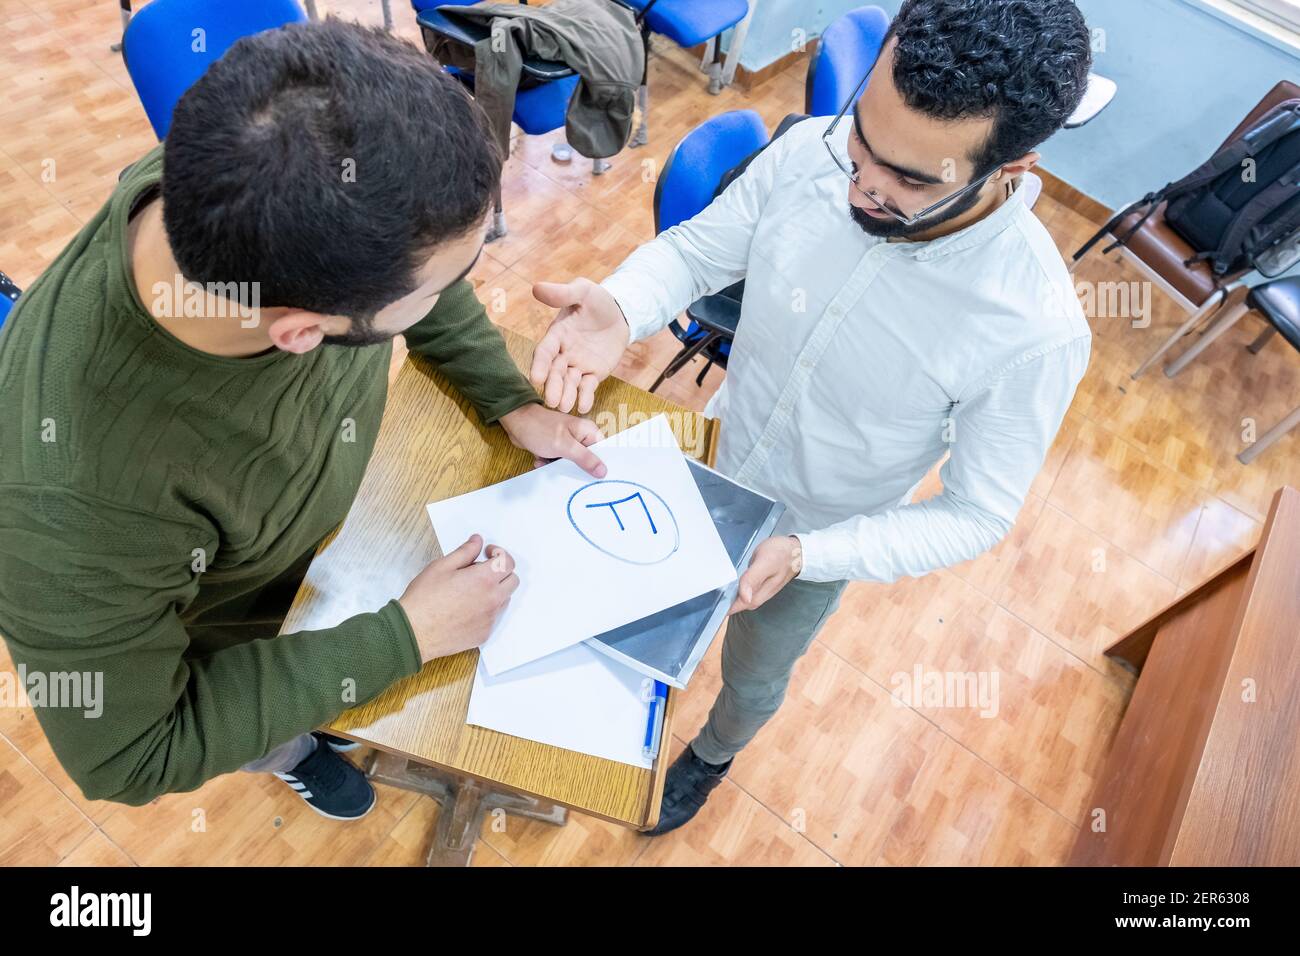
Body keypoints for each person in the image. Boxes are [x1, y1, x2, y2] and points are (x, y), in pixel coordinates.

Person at [0, 19, 604, 820]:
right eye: (432, 289)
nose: (455, 291)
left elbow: (417, 264)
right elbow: (132, 752)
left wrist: (510, 399)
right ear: (299, 333)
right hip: (225, 636)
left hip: (310, 548)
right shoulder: (74, 512)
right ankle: (291, 751)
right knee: (272, 721)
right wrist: (404, 639)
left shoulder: (249, 184)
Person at [528, 0, 1094, 834]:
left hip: (815, 535)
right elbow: (693, 252)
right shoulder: (809, 154)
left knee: (753, 677)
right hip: (711, 455)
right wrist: (622, 303)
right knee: (642, 612)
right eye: (864, 137)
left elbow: (979, 511)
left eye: (909, 180)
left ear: (1010, 167)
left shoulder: (1031, 329)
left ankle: (713, 758)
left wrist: (813, 553)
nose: (862, 186)